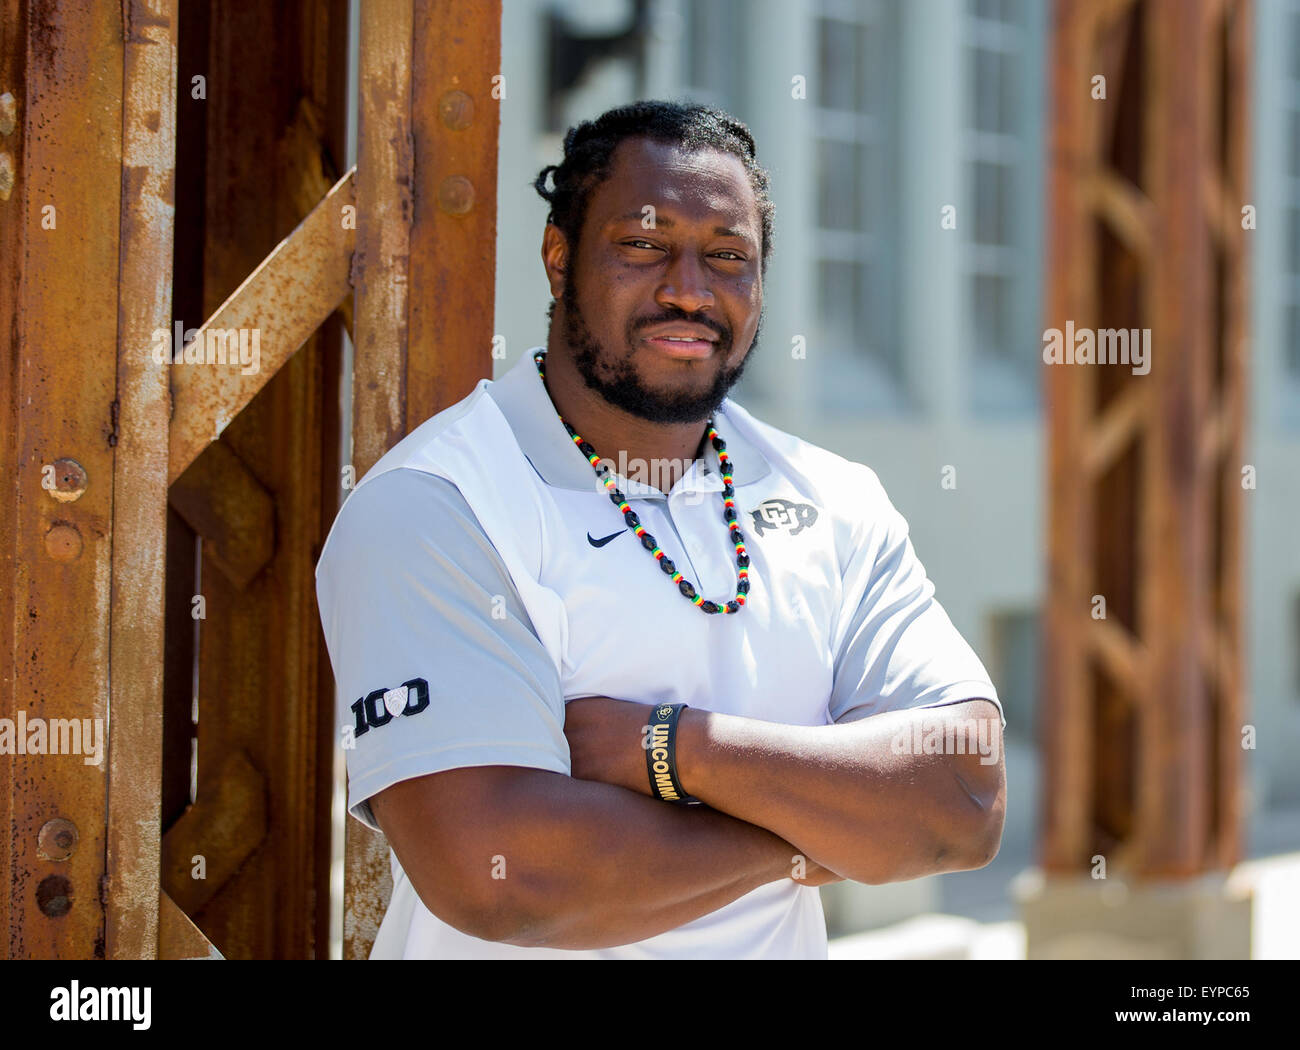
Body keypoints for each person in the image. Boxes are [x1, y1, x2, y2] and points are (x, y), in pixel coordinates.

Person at [315, 100, 1006, 959]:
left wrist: (670, 750)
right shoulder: (438, 505)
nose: (688, 288)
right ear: (558, 260)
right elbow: (501, 878)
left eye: (728, 257)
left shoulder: (835, 501)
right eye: (643, 246)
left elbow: (964, 801)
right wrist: (821, 832)